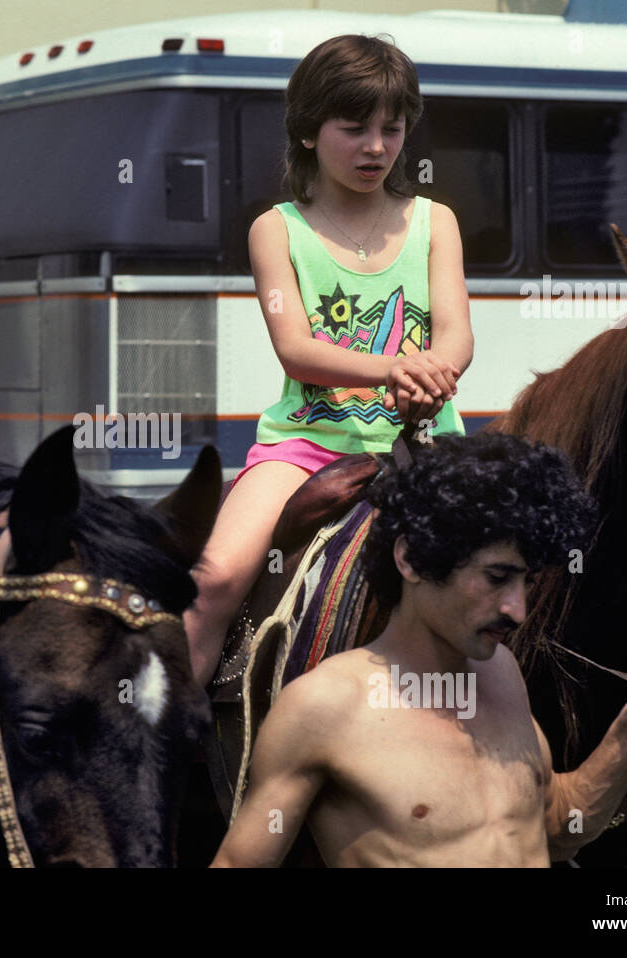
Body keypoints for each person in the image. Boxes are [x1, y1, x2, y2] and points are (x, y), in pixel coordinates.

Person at [211, 434, 627, 867]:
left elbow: (559, 829)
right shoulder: (324, 707)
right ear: (410, 558)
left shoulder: (501, 674)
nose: (516, 609)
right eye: (497, 578)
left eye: (527, 582)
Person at [185, 34, 474, 686]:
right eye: (354, 128)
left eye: (391, 129)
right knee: (216, 580)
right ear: (309, 132)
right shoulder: (277, 229)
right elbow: (296, 349)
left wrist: (440, 371)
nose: (376, 147)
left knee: (513, 582)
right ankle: (171, 746)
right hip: (305, 448)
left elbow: (457, 333)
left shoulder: (436, 221)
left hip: (430, 445)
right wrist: (397, 370)